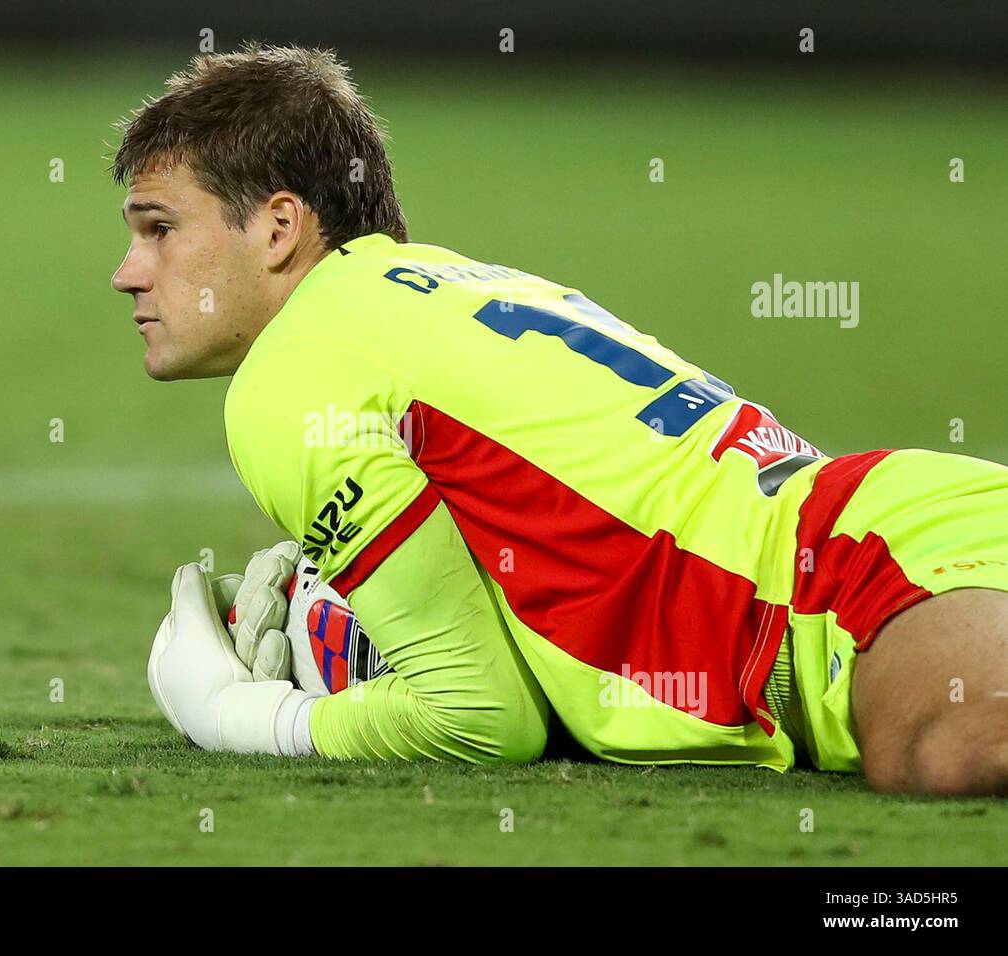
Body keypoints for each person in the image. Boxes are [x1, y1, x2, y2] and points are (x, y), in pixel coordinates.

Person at [116, 42, 1008, 795]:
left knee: (957, 751)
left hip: (847, 590)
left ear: (277, 230)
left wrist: (245, 715)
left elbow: (475, 718)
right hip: (893, 522)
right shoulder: (460, 281)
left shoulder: (291, 376)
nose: (129, 271)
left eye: (158, 228)